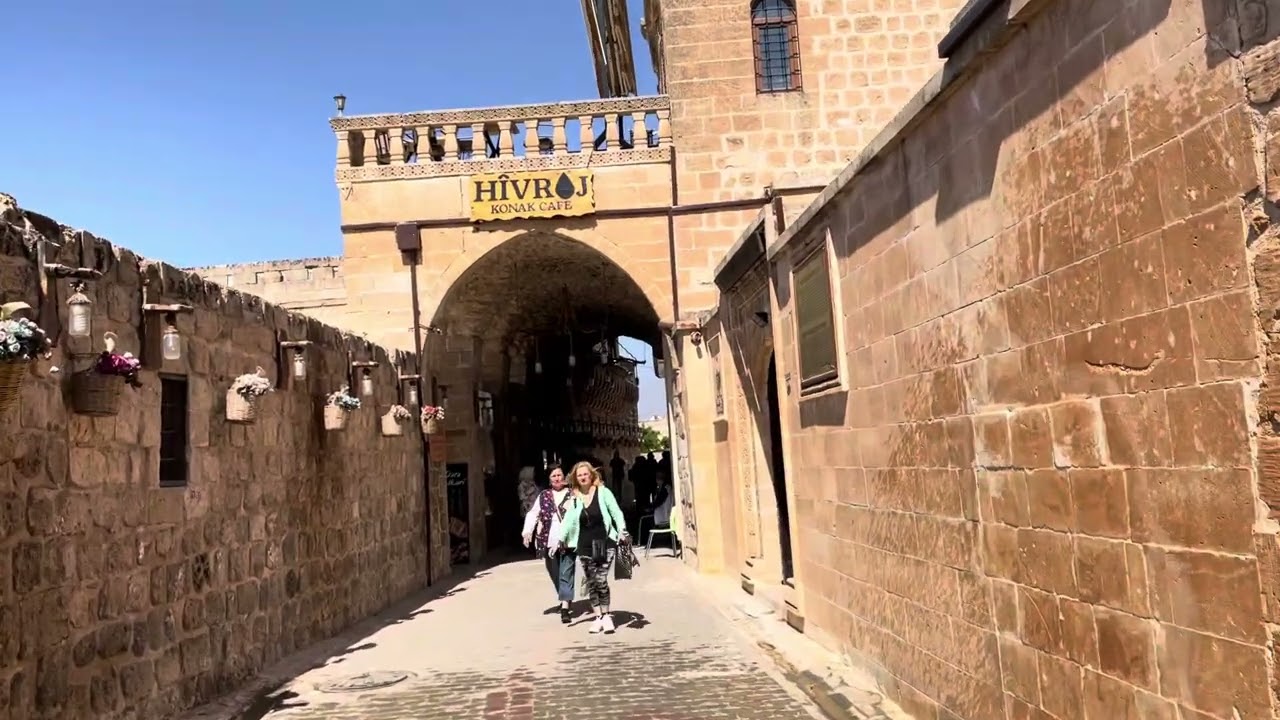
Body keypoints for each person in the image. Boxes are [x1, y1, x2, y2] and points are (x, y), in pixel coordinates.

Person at [553, 461, 629, 634]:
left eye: (585, 474)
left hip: (604, 541)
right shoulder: (574, 497)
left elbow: (616, 512)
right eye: (579, 475)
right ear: (575, 478)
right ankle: (598, 617)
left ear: (591, 475)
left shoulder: (603, 492)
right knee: (591, 581)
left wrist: (622, 530)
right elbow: (568, 520)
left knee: (601, 579)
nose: (583, 477)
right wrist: (561, 539)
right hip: (584, 545)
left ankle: (607, 614)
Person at [522, 464, 576, 623]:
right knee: (554, 572)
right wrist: (527, 532)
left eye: (559, 475)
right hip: (548, 540)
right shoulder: (544, 496)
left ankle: (565, 607)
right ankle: (565, 596)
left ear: (564, 476)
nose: (557, 478)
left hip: (568, 540)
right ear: (549, 479)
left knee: (566, 572)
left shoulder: (573, 494)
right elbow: (533, 513)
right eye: (554, 476)